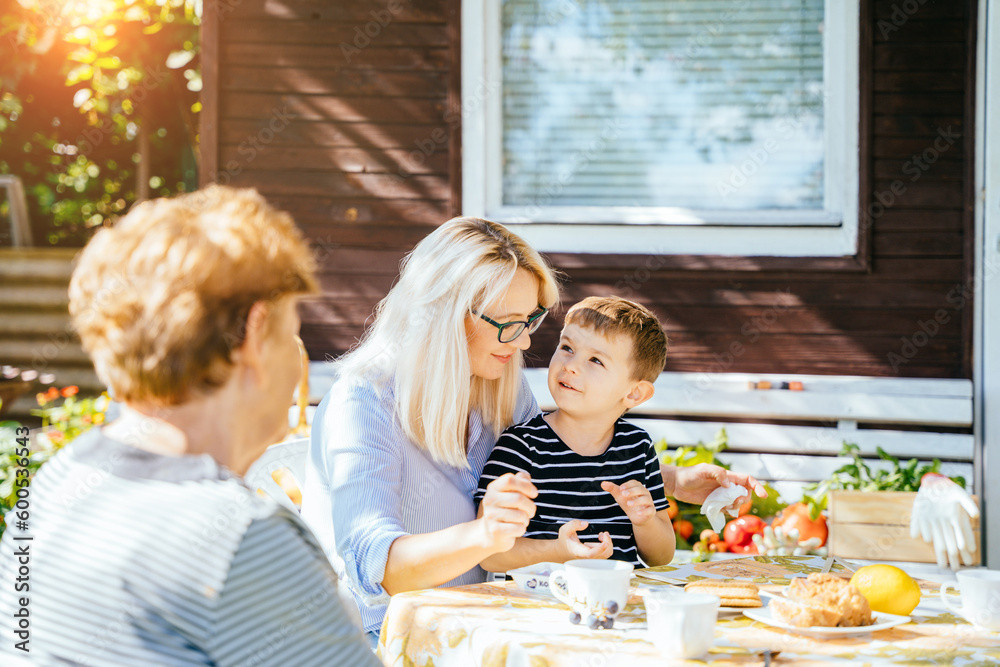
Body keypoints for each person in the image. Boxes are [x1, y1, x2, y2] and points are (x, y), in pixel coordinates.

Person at [302, 216, 765, 642]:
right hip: (382, 641)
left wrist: (673, 483)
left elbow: (559, 460)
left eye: (530, 321)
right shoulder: (363, 403)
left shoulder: (495, 386)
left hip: (481, 628)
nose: (524, 341)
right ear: (446, 316)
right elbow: (378, 567)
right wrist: (485, 535)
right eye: (508, 325)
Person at [0, 187, 378, 666]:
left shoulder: (56, 483)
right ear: (254, 336)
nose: (298, 364)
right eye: (294, 335)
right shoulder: (245, 540)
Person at [475, 297, 674, 570]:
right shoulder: (521, 447)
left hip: (620, 599)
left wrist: (646, 521)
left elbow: (661, 556)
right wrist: (559, 551)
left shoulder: (637, 447)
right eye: (567, 347)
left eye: (595, 360)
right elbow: (490, 555)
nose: (571, 365)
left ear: (634, 393)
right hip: (540, 602)